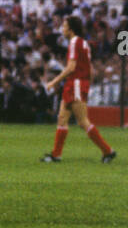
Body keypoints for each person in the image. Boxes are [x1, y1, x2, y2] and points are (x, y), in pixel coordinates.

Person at [40, 15, 116, 163]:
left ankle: (108, 151)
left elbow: (71, 67)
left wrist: (54, 81)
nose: (62, 29)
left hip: (75, 83)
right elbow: (90, 68)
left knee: (82, 121)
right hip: (75, 83)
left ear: (71, 29)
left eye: (64, 26)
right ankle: (56, 155)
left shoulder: (75, 42)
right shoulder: (83, 43)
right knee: (62, 119)